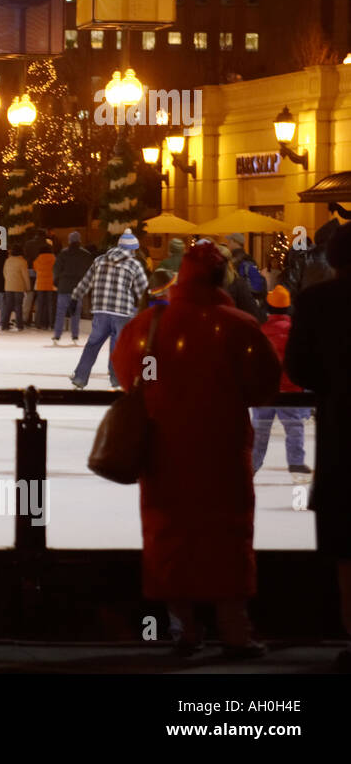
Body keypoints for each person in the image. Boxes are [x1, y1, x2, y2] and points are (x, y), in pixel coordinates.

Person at [113, 241, 280, 659]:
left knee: (170, 534)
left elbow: (127, 373)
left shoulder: (150, 323)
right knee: (228, 534)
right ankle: (235, 630)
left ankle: (183, 629)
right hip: (221, 449)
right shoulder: (239, 325)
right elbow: (263, 388)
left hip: (163, 447)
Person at [285, 222, 351, 672]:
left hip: (343, 435)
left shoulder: (315, 302)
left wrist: (333, 388)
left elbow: (299, 367)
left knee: (347, 541)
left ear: (332, 260)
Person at [69, 229, 148, 390]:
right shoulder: (134, 264)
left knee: (93, 344)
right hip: (122, 312)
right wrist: (147, 309)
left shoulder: (99, 260)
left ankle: (80, 378)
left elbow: (86, 281)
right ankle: (116, 381)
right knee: (117, 347)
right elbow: (143, 291)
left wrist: (75, 297)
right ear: (132, 249)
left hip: (101, 310)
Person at [248, 285, 312, 483]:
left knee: (259, 429)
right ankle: (296, 463)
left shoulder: (261, 331)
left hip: (265, 390)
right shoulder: (294, 331)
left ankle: (252, 465)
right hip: (290, 390)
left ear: (268, 308)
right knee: (294, 427)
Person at [51, 231, 93, 346]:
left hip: (64, 286)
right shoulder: (85, 255)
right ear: (79, 240)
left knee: (60, 312)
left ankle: (57, 336)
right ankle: (75, 336)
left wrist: (56, 283)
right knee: (75, 313)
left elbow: (56, 269)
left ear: (69, 241)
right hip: (78, 288)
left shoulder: (63, 254)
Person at [1, 244, 29, 331]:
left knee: (8, 306)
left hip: (8, 287)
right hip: (19, 287)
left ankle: (4, 325)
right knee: (18, 306)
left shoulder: (8, 260)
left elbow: (4, 273)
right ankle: (19, 325)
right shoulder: (22, 261)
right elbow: (25, 276)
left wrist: (8, 281)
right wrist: (28, 287)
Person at [33, 239, 57, 330]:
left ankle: (39, 324)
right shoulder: (54, 258)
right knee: (51, 305)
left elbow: (35, 269)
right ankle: (51, 324)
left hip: (40, 285)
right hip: (51, 285)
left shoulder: (37, 260)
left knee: (40, 305)